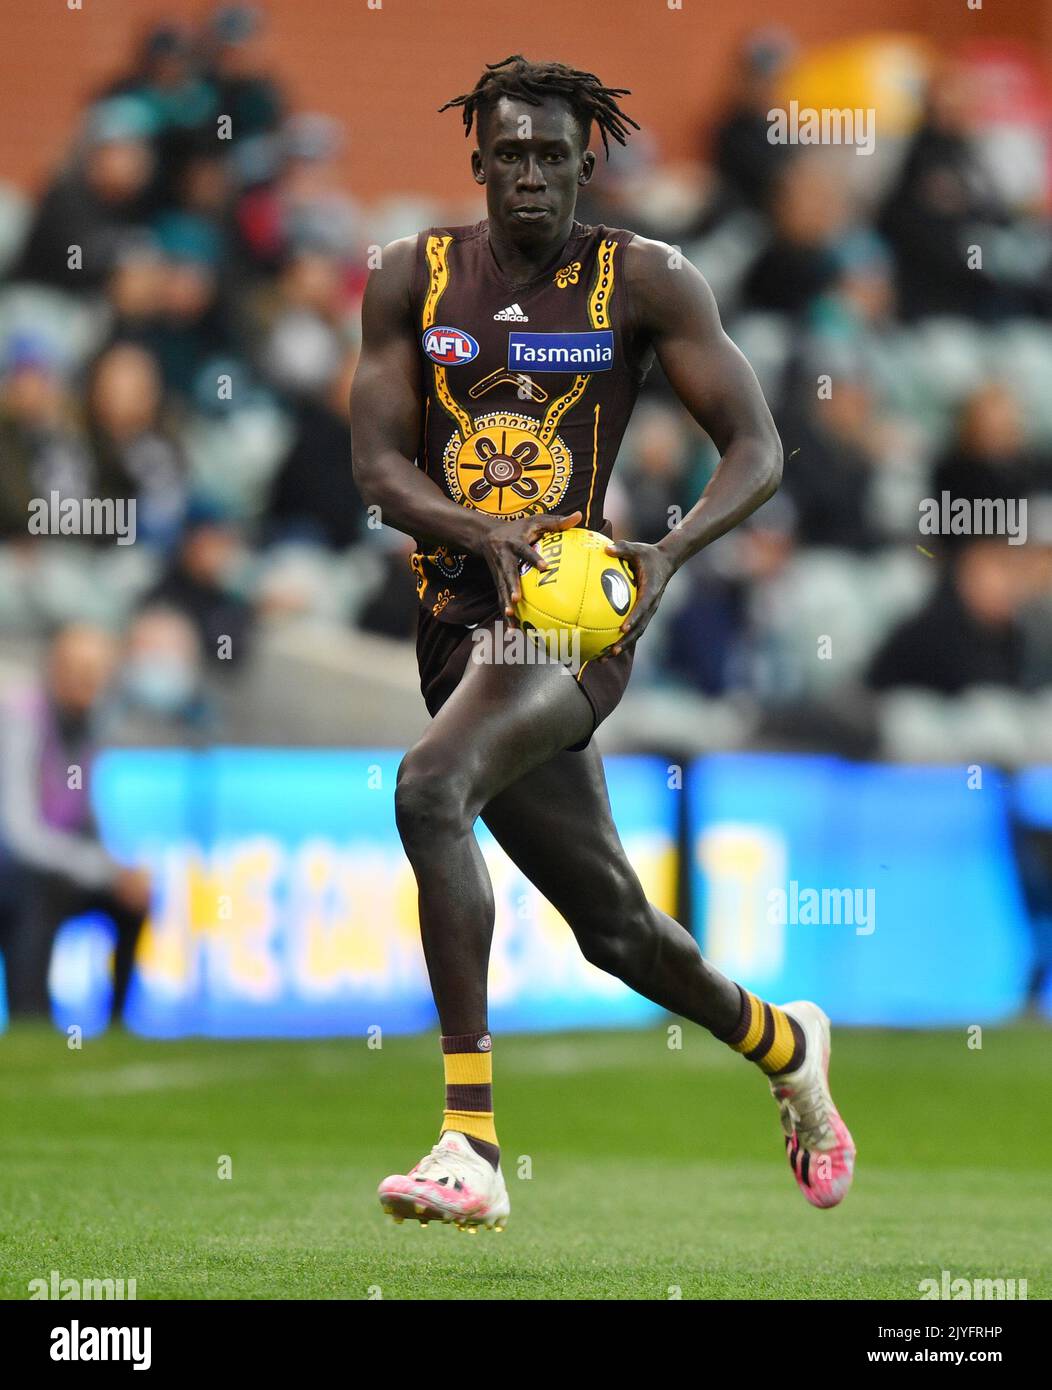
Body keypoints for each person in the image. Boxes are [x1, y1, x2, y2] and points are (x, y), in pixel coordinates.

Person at [351, 55, 855, 1232]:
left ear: (590, 160)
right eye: (508, 153)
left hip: (568, 624)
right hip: (455, 622)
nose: (528, 175)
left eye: (552, 155)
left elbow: (757, 446)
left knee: (430, 789)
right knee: (615, 929)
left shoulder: (645, 281)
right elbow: (375, 472)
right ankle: (787, 1046)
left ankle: (468, 1145)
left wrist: (664, 559)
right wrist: (480, 529)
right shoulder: (405, 279)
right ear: (476, 157)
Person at [0, 625, 150, 1023]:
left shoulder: (89, 725)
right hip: (13, 874)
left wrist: (119, 872)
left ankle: (118, 1024)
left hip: (53, 867)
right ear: (53, 668)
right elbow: (21, 834)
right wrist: (100, 869)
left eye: (95, 671)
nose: (86, 681)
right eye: (76, 669)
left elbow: (83, 817)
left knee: (134, 896)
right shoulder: (20, 716)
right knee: (37, 890)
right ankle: (30, 1014)